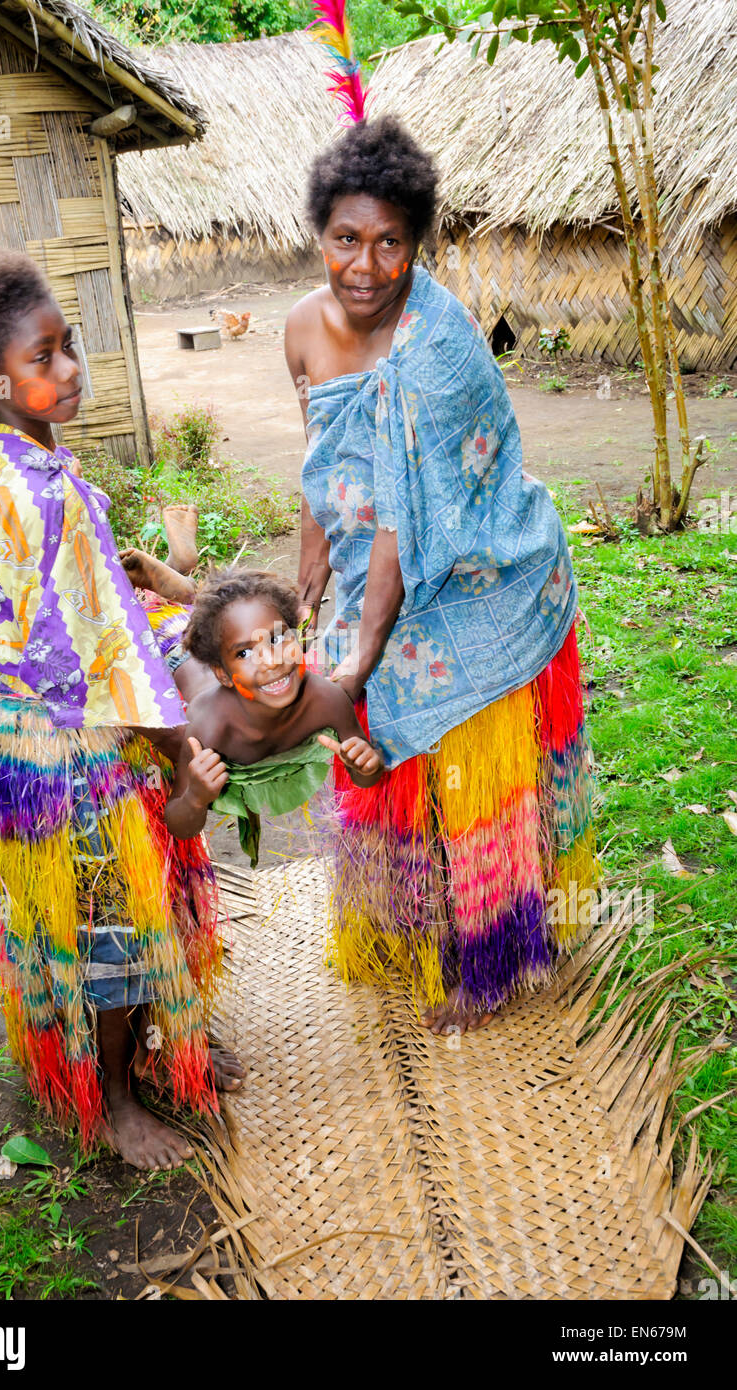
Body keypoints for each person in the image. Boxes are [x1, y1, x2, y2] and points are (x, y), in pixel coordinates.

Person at [0, 247, 242, 1172]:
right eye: (43, 358)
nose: (68, 372)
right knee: (111, 925)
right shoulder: (36, 490)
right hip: (68, 744)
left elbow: (85, 608)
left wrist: (136, 581)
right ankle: (110, 1101)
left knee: (139, 907)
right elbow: (90, 649)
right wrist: (178, 739)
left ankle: (153, 1052)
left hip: (52, 726)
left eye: (67, 349)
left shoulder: (14, 460)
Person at [284, 115, 596, 1035]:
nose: (367, 266)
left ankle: (488, 963)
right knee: (393, 776)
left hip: (479, 578)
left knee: (467, 786)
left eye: (391, 243)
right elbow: (320, 449)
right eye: (347, 239)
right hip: (371, 572)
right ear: (319, 235)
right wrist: (309, 537)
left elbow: (400, 526)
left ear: (418, 244)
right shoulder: (301, 328)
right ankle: (406, 933)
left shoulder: (437, 347)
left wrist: (358, 656)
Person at [163, 568, 383, 864]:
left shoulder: (327, 701)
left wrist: (366, 766)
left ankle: (182, 591)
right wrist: (196, 798)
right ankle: (169, 584)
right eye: (244, 653)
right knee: (164, 729)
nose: (271, 660)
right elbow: (179, 825)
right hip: (174, 658)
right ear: (224, 676)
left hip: (211, 650)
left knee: (204, 619)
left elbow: (366, 778)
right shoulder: (207, 727)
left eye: (278, 638)